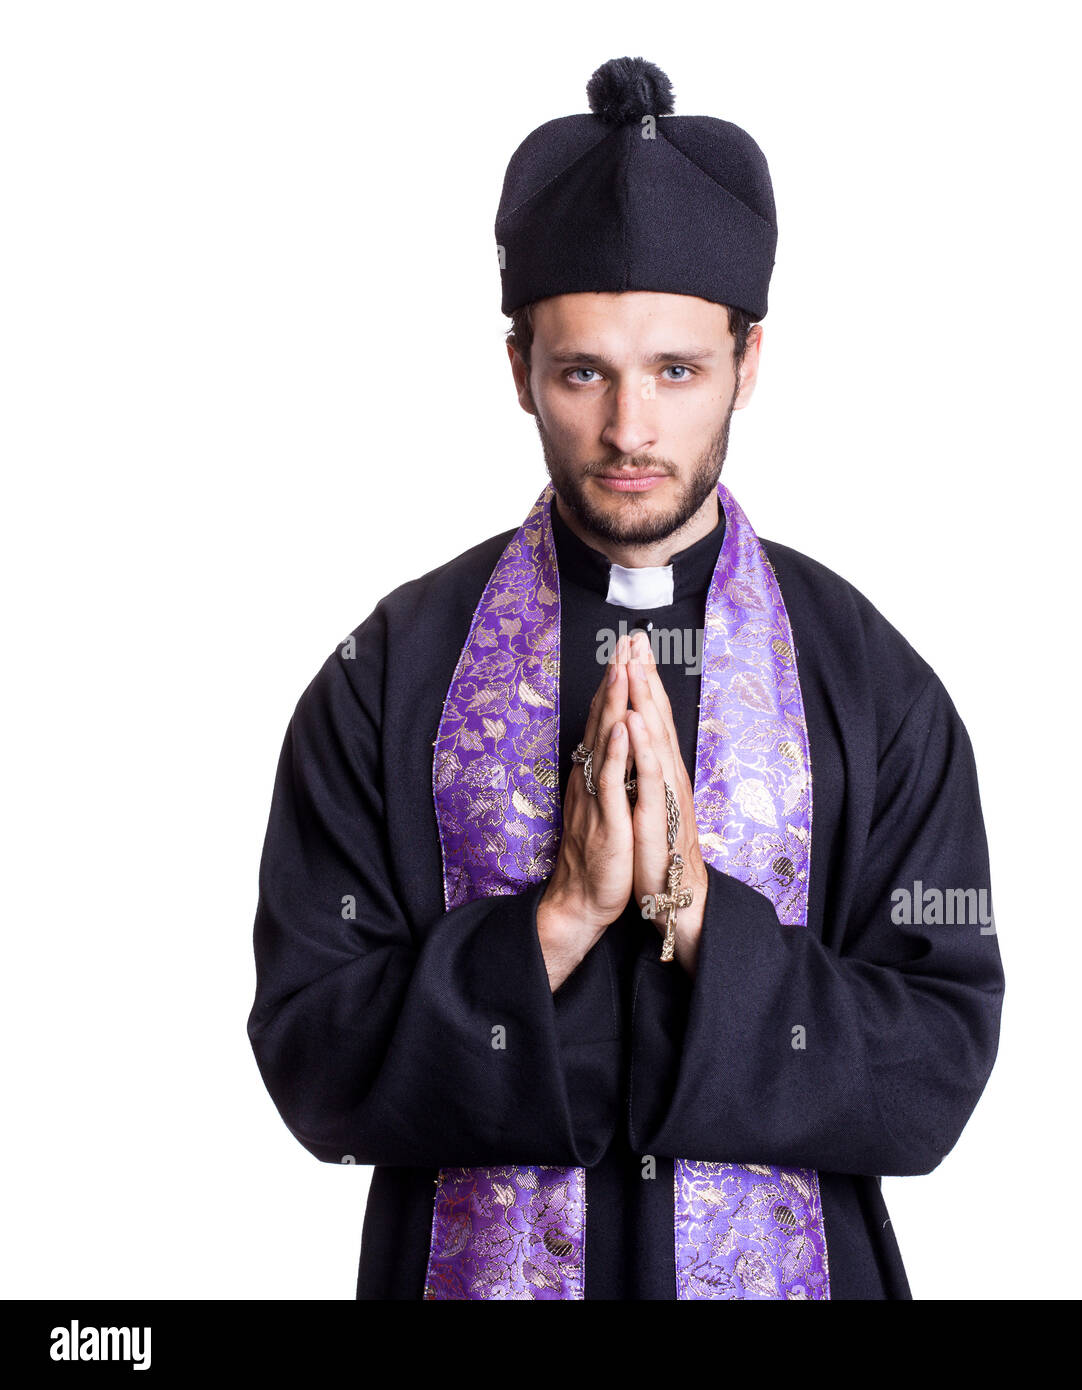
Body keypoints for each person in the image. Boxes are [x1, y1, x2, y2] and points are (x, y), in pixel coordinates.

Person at [247, 55, 1004, 1301]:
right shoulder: (388, 674)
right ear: (517, 371)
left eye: (676, 370)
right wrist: (549, 928)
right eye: (582, 371)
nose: (630, 432)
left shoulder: (869, 680)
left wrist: (705, 921)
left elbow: (938, 1061)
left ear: (746, 361)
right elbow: (308, 1053)